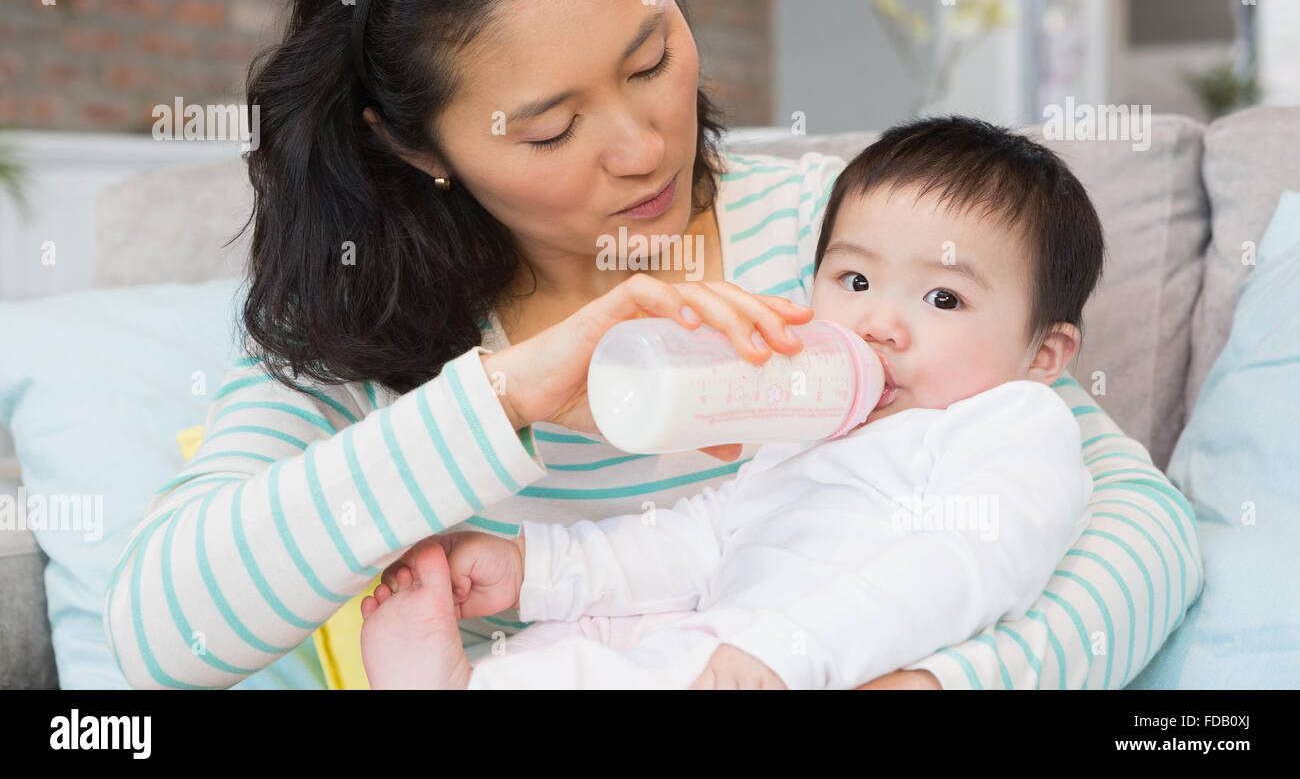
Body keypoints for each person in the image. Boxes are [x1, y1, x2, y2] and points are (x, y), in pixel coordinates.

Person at [102, 0, 1202, 690]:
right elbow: (161, 632)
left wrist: (927, 682)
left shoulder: (847, 256)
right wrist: (513, 392)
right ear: (413, 143)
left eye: (650, 58)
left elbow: (1137, 527)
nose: (640, 148)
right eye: (547, 128)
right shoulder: (367, 322)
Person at [356, 116, 1104, 690]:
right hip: (721, 633)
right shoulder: (816, 417)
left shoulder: (1013, 425)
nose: (879, 323)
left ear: (1043, 356)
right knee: (582, 646)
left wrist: (788, 651)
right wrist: (535, 568)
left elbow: (962, 565)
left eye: (943, 297)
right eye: (854, 281)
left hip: (823, 664)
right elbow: (702, 538)